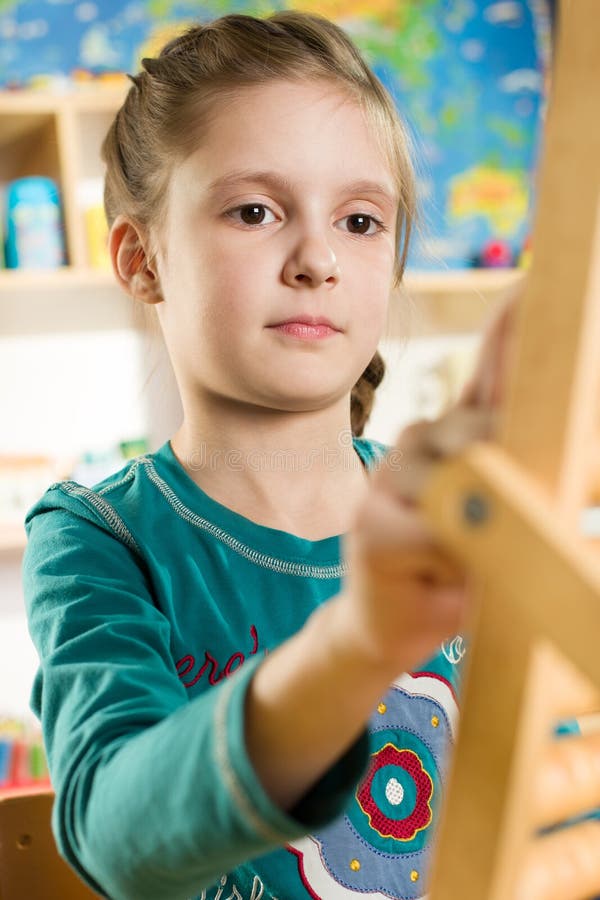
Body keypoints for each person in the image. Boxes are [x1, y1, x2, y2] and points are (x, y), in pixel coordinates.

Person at [19, 11, 531, 900]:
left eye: (362, 220)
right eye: (255, 210)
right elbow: (112, 834)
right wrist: (359, 642)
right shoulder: (97, 541)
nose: (318, 257)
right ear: (143, 260)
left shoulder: (460, 517)